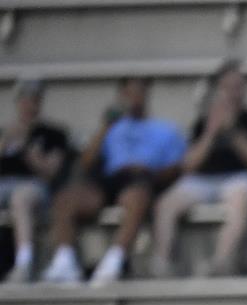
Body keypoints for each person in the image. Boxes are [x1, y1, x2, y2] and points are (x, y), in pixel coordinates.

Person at [41, 76, 185, 285]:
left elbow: (176, 168)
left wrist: (151, 173)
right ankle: (64, 260)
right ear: (121, 96)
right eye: (129, 93)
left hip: (142, 179)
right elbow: (86, 163)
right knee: (65, 198)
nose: (134, 98)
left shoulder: (165, 130)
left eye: (139, 92)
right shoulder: (110, 128)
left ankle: (113, 261)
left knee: (138, 197)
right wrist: (105, 126)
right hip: (107, 179)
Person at [148, 60, 247, 277]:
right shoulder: (203, 123)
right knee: (165, 204)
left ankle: (222, 261)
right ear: (220, 90)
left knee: (240, 200)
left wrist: (234, 132)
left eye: (238, 86)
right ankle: (163, 263)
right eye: (228, 87)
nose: (233, 93)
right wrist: (210, 133)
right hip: (203, 180)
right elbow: (188, 165)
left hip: (242, 178)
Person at [2, 78, 72, 282]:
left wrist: (27, 150)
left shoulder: (53, 133)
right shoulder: (5, 132)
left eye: (33, 99)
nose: (28, 105)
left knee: (20, 199)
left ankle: (24, 262)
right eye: (24, 99)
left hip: (34, 186)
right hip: (3, 184)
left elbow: (52, 172)